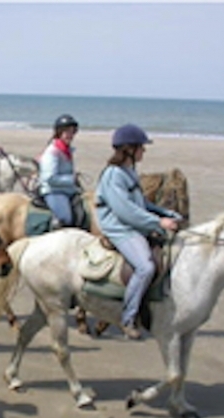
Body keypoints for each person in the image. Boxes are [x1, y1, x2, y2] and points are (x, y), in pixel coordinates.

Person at [95, 123, 182, 340]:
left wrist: (165, 213)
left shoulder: (129, 171)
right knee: (145, 267)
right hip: (120, 228)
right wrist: (158, 223)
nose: (144, 151)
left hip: (133, 224)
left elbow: (140, 203)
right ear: (129, 149)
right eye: (141, 147)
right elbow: (125, 211)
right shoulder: (113, 174)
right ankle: (127, 318)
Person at [38, 114, 82, 228]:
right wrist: (71, 179)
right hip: (53, 191)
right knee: (65, 218)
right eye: (67, 132)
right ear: (59, 132)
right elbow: (50, 178)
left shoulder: (67, 150)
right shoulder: (52, 152)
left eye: (72, 132)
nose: (70, 135)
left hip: (67, 189)